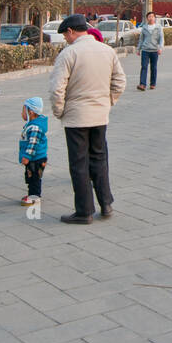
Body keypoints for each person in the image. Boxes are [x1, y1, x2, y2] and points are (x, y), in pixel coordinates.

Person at [50, 14, 126, 224]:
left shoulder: (68, 54)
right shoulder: (107, 51)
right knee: (100, 159)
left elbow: (57, 89)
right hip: (100, 115)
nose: (66, 39)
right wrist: (108, 101)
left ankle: (84, 211)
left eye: (65, 35)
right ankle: (106, 203)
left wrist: (59, 111)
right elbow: (120, 82)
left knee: (79, 163)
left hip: (76, 117)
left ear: (71, 31)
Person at [18, 96, 48, 206]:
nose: (22, 114)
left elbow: (33, 144)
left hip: (36, 158)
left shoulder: (35, 127)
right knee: (31, 176)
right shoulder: (32, 124)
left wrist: (26, 156)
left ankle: (35, 197)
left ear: (30, 112)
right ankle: (31, 194)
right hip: (35, 158)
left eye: (23, 111)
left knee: (34, 177)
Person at [136, 11, 164, 90]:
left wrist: (160, 48)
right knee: (144, 67)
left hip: (155, 50)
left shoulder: (158, 27)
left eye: (152, 16)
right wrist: (138, 49)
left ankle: (153, 84)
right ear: (147, 18)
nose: (151, 18)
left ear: (155, 18)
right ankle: (142, 84)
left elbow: (161, 39)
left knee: (153, 67)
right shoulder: (144, 27)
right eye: (149, 17)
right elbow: (141, 39)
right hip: (145, 50)